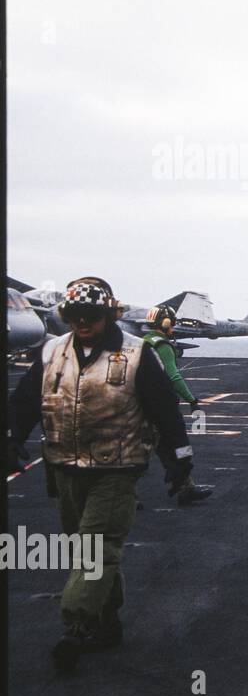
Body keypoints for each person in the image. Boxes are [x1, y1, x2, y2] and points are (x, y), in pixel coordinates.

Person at [7, 277, 201, 673]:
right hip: (64, 469)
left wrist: (178, 460)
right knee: (85, 548)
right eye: (75, 315)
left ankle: (77, 624)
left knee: (97, 546)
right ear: (65, 315)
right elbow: (26, 401)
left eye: (91, 315)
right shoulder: (50, 352)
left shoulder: (136, 354)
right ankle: (108, 624)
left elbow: (163, 409)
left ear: (107, 315)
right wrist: (11, 439)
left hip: (116, 468)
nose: (82, 322)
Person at [141, 305, 213, 505]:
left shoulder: (142, 342)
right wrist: (192, 400)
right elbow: (173, 376)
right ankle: (185, 487)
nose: (173, 327)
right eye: (171, 323)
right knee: (179, 447)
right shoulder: (162, 345)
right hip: (162, 407)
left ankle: (185, 486)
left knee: (142, 451)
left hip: (141, 406)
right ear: (165, 323)